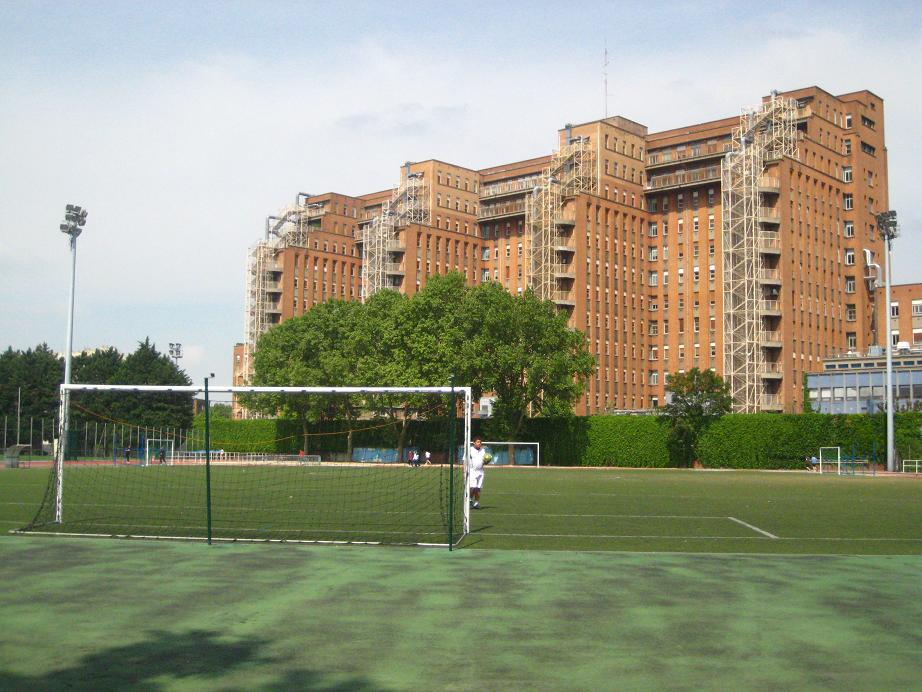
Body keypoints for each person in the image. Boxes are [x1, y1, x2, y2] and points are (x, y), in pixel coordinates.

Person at [468, 437, 487, 509]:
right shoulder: (469, 450)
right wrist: (464, 471)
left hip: (481, 471)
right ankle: (469, 500)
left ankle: (476, 503)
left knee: (478, 488)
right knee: (472, 487)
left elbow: (484, 462)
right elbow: (464, 460)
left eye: (480, 442)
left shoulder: (483, 450)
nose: (479, 443)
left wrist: (486, 461)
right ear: (474, 443)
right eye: (477, 442)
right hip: (472, 471)